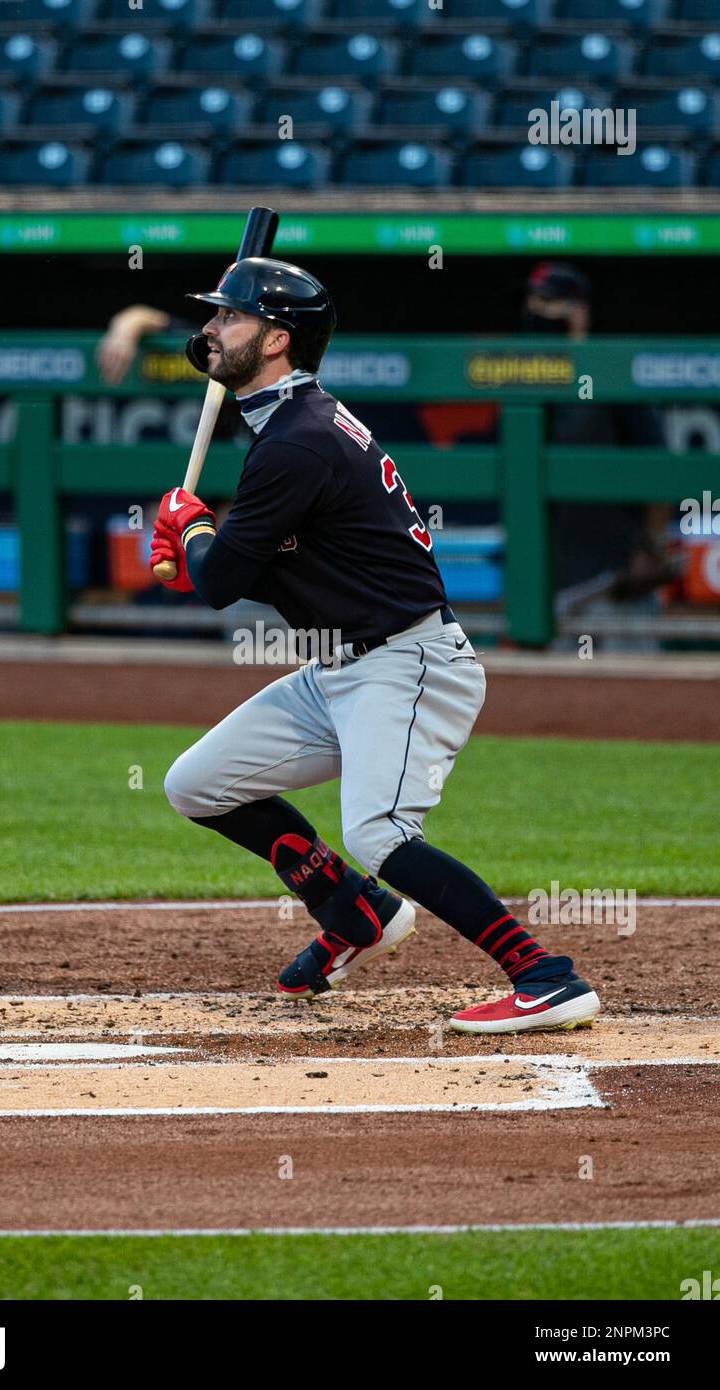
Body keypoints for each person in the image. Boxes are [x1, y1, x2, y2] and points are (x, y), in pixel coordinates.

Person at [149, 257, 600, 1035]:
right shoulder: (292, 426)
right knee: (198, 784)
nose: (212, 329)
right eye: (215, 315)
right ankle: (354, 908)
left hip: (409, 662)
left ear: (278, 340)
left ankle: (546, 976)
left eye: (229, 317)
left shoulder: (298, 442)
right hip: (339, 669)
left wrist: (190, 530)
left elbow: (220, 580)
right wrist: (200, 540)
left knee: (379, 832)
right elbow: (256, 569)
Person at [523, 262, 673, 616]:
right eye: (532, 302)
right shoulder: (522, 378)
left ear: (580, 312)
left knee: (634, 673)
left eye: (548, 302)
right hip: (550, 586)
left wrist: (650, 548)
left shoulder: (609, 374)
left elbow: (658, 469)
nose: (537, 311)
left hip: (614, 582)